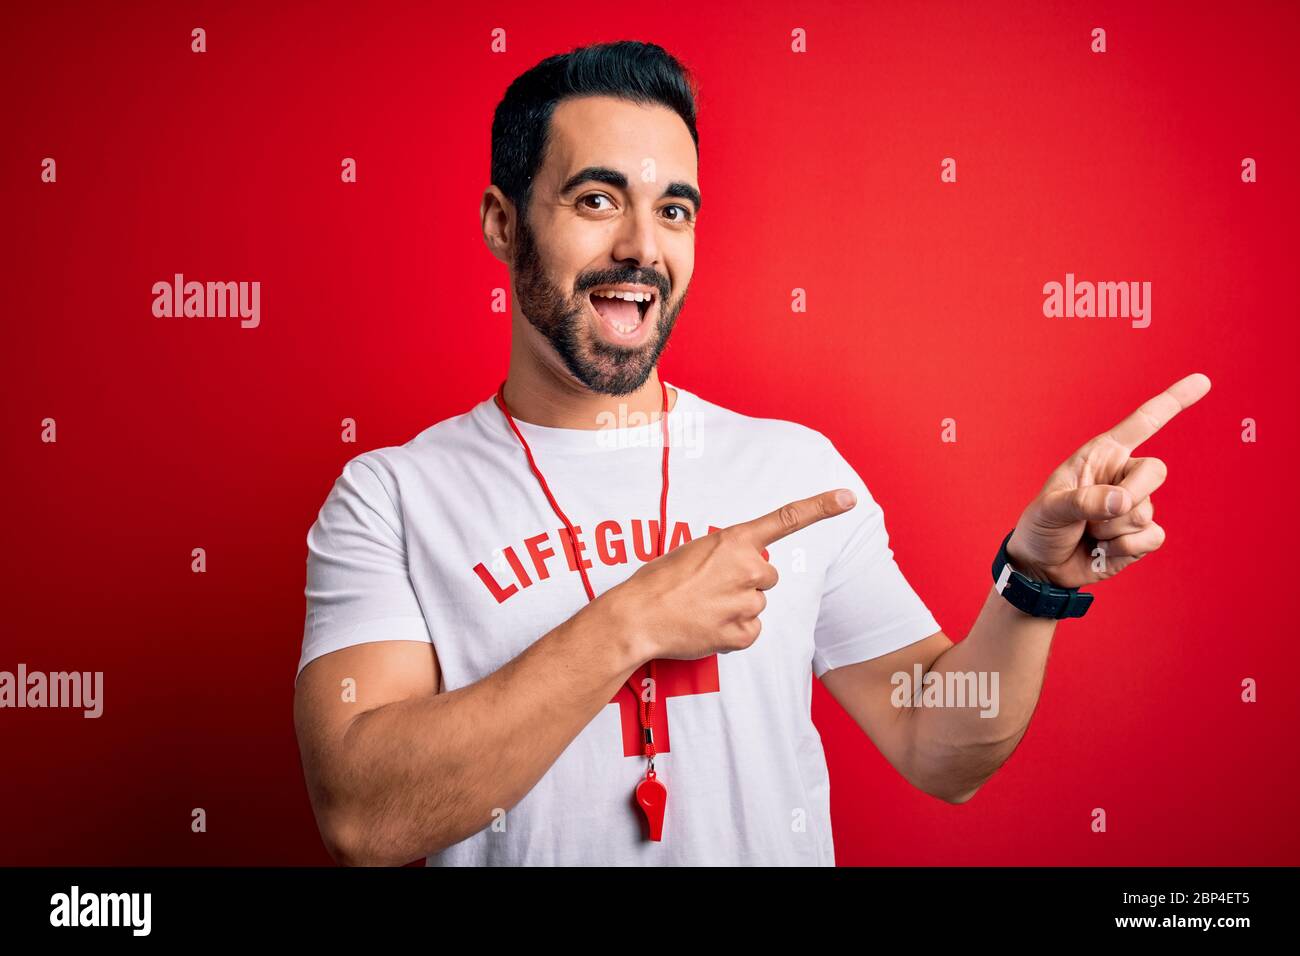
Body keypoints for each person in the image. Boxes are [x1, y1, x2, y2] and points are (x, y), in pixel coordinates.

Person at [292, 40, 1209, 866]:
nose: (641, 248)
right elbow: (364, 817)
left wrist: (1032, 583)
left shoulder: (794, 470)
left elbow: (941, 748)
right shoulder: (391, 497)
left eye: (675, 210)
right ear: (503, 223)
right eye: (597, 199)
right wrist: (636, 620)